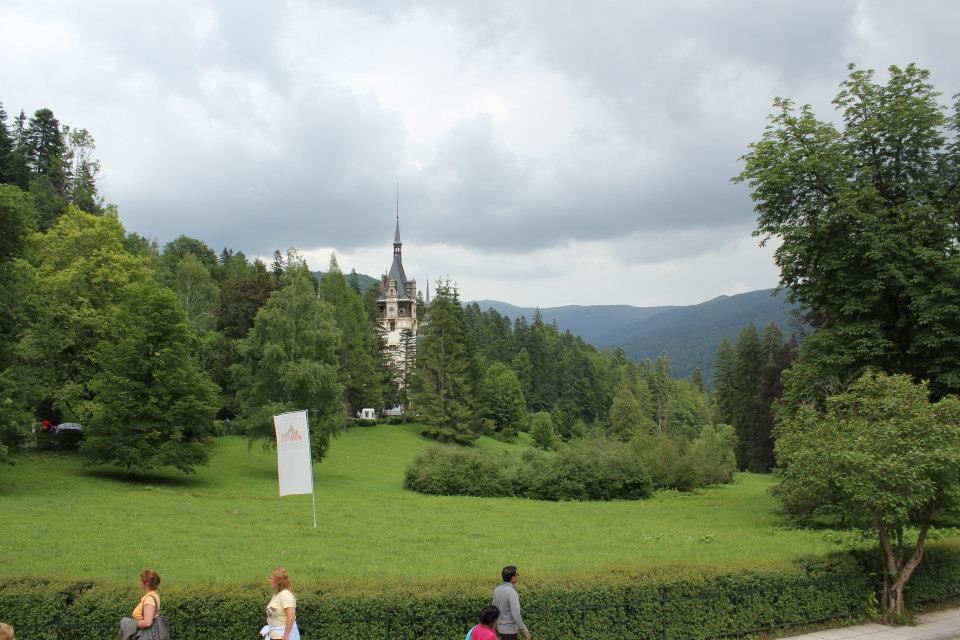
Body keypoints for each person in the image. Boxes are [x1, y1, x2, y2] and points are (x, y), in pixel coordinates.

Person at [118, 569, 161, 640]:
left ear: (146, 583)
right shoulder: (153, 595)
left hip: (144, 635)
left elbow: (147, 623)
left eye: (141, 581)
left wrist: (132, 624)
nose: (140, 583)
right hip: (143, 634)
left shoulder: (149, 599)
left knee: (125, 621)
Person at [260, 567, 299, 640]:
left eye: (271, 578)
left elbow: (291, 616)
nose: (269, 580)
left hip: (282, 636)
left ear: (278, 581)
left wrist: (286, 636)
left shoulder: (285, 595)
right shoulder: (276, 595)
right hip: (275, 635)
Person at [493, 565, 531, 640]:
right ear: (512, 578)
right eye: (517, 574)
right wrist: (525, 631)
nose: (518, 576)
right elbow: (516, 614)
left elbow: (494, 610)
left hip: (499, 629)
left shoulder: (497, 590)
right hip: (510, 631)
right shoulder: (512, 592)